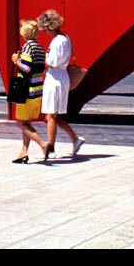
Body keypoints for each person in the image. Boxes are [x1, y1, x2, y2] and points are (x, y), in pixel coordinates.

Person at [37, 9, 83, 158]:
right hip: (61, 77)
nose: (45, 32)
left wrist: (39, 59)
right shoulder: (65, 38)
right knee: (53, 114)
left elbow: (52, 62)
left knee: (50, 115)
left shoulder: (57, 41)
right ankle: (74, 138)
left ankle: (51, 149)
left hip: (55, 78)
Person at [10, 20, 49, 163]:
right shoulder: (39, 48)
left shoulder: (27, 47)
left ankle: (43, 145)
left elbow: (26, 68)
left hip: (26, 91)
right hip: (38, 90)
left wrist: (16, 60)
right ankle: (23, 152)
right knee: (26, 122)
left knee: (21, 123)